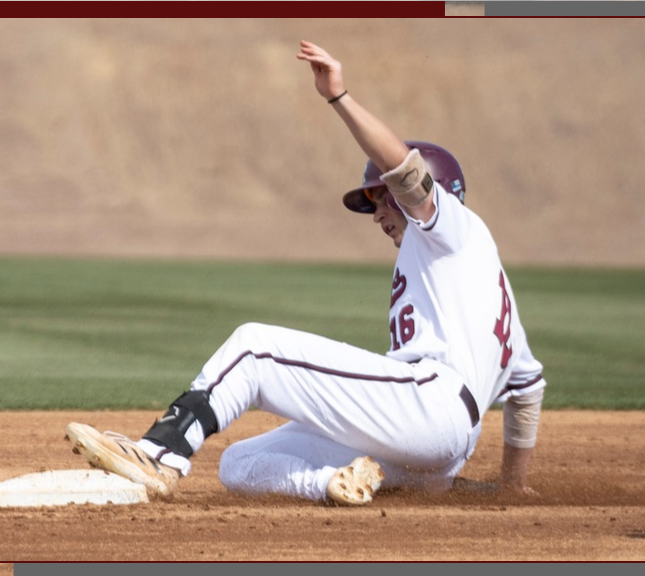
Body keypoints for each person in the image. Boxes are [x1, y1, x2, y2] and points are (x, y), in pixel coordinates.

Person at [66, 41, 546, 505]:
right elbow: (527, 388)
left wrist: (339, 97)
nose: (377, 212)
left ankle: (159, 454)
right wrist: (512, 485)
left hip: (428, 407)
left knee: (254, 348)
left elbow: (403, 168)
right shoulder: (485, 284)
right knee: (240, 463)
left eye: (383, 198)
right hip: (430, 453)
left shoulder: (454, 226)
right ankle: (333, 483)